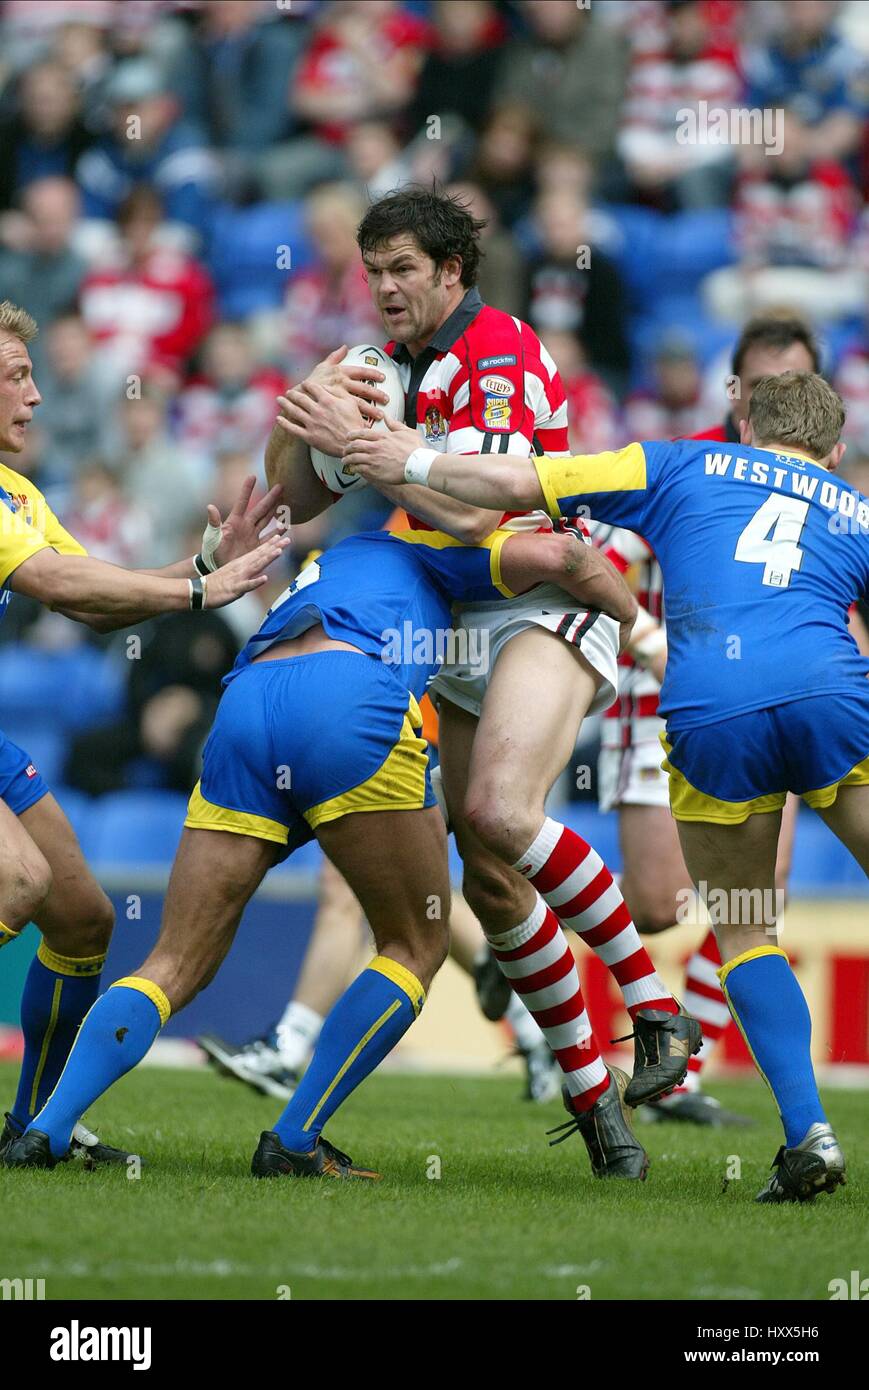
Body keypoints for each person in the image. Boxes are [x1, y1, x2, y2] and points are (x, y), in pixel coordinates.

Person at [344, 369, 865, 1203]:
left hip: (708, 708)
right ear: (835, 449)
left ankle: (809, 1136)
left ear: (741, 426)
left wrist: (419, 460)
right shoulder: (854, 508)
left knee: (743, 930)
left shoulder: (681, 463)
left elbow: (525, 480)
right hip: (833, 696)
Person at [269, 187, 701, 1176]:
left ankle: (656, 1013)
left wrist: (373, 460)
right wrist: (302, 424)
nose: (383, 288)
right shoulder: (382, 367)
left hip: (544, 582)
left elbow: (473, 517)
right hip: (459, 617)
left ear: (452, 273)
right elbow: (296, 495)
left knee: (499, 810)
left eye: (403, 270)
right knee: (490, 874)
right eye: (373, 271)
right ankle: (594, 1103)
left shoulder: (496, 353)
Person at [5, 521, 642, 1183]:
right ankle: (294, 1138)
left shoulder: (338, 551)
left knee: (174, 960)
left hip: (247, 702)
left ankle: (43, 1131)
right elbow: (564, 555)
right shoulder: (442, 546)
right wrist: (636, 623)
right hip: (347, 698)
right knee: (414, 944)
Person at [0, 299, 287, 1164]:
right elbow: (70, 588)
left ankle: (32, 1130)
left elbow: (90, 583)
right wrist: (202, 595)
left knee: (83, 921)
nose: (38, 395)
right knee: (16, 881)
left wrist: (203, 563)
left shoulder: (13, 491)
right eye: (16, 376)